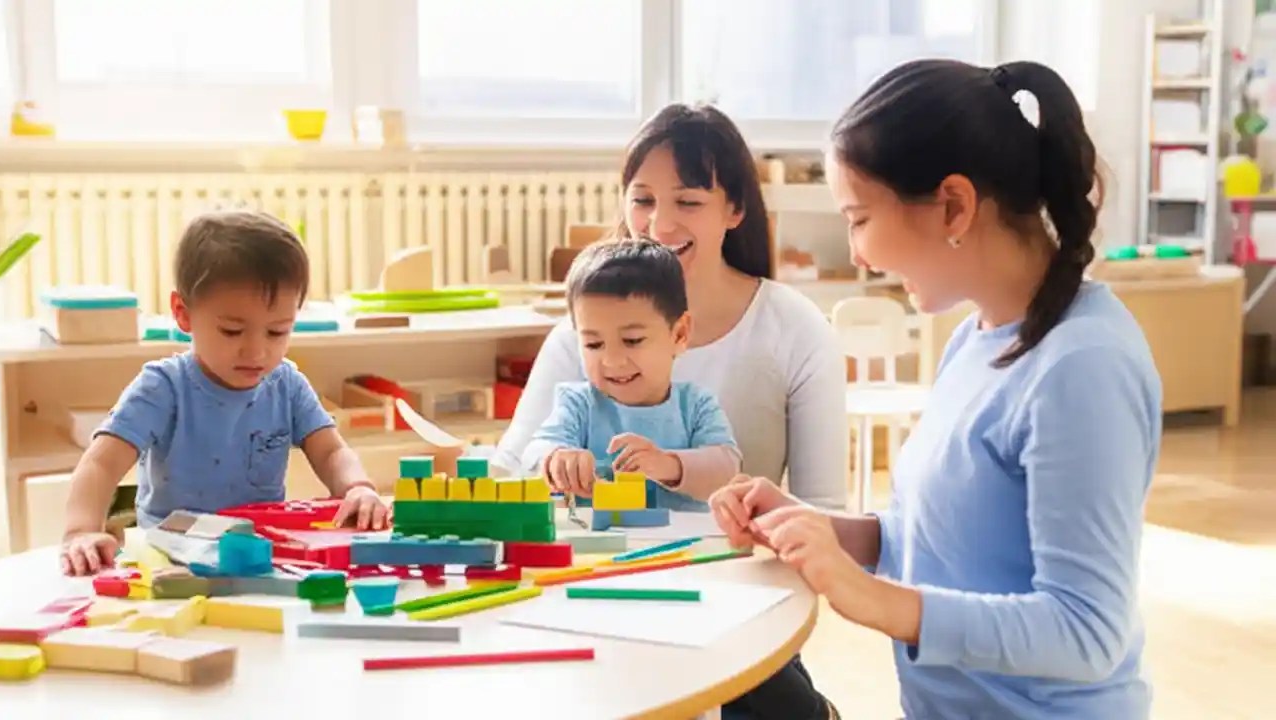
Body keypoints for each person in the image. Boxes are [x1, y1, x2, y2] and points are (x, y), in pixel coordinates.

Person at [711, 59, 1161, 719]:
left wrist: (876, 601)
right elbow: (947, 541)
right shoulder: (978, 337)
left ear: (953, 204)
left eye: (859, 219)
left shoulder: (1083, 366)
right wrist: (817, 528)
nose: (856, 252)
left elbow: (1086, 630)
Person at [495, 103, 845, 719]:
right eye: (642, 199)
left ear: (734, 209)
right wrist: (555, 466)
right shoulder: (584, 332)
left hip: (735, 594)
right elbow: (513, 469)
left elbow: (824, 516)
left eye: (688, 201)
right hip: (597, 586)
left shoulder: (792, 327)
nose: (658, 223)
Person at [60, 210, 390, 576]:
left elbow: (331, 452)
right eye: (232, 331)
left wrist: (357, 487)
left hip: (257, 554)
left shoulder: (287, 384)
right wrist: (81, 531)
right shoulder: (163, 387)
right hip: (171, 559)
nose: (256, 352)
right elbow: (100, 463)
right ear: (183, 314)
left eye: (277, 332)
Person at [522, 238, 740, 510]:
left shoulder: (695, 405)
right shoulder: (578, 404)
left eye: (633, 340)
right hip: (601, 547)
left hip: (686, 545)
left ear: (680, 334)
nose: (612, 361)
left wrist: (668, 464)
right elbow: (532, 453)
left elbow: (727, 468)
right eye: (593, 344)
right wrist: (555, 459)